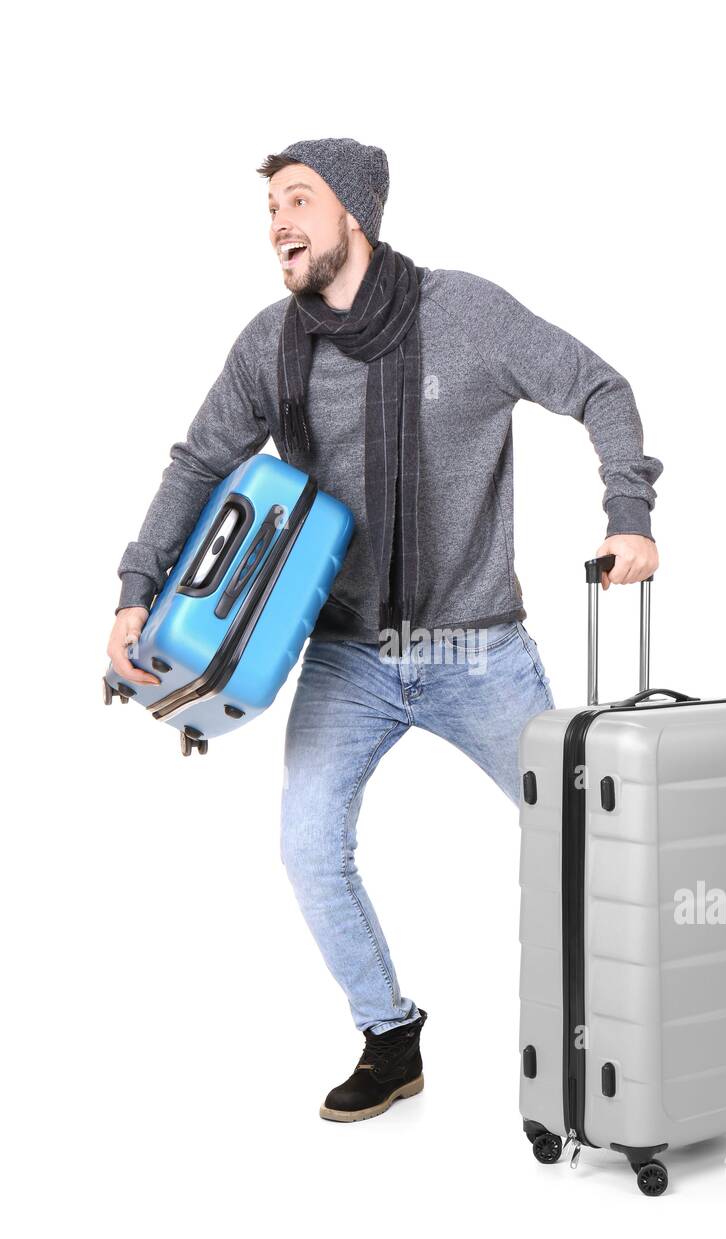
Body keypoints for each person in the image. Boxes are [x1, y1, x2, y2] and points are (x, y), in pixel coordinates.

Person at [106, 137, 661, 1124]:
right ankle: (390, 1035)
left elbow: (598, 388)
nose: (278, 220)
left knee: (586, 841)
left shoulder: (466, 315)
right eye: (270, 205)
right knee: (308, 846)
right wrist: (136, 589)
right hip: (348, 654)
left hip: (475, 648)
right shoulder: (270, 345)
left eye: (298, 199)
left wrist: (627, 515)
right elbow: (199, 463)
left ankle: (629, 1033)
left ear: (354, 212)